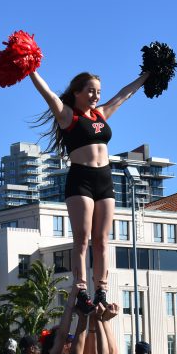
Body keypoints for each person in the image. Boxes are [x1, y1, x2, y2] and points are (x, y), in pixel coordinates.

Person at [30, 68, 149, 314]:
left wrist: (147, 76)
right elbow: (47, 93)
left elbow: (124, 95)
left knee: (102, 240)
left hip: (104, 179)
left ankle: (101, 290)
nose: (96, 96)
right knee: (82, 239)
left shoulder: (100, 114)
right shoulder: (67, 115)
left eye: (98, 92)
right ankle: (81, 289)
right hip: (80, 180)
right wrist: (31, 70)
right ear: (77, 92)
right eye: (91, 91)